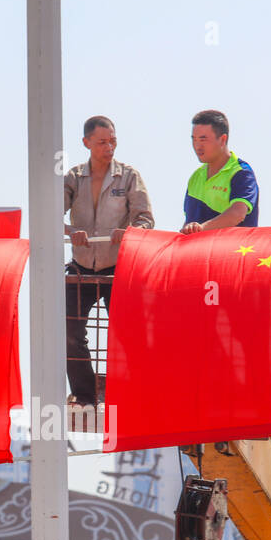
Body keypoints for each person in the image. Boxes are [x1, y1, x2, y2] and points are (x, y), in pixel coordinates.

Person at [62, 115, 154, 407]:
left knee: (126, 335)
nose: (109, 146)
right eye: (102, 142)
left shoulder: (128, 176)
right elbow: (51, 214)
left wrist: (128, 232)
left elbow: (145, 219)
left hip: (119, 270)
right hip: (81, 270)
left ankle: (125, 392)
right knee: (69, 333)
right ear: (86, 143)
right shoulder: (73, 178)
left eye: (113, 140)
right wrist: (70, 232)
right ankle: (86, 395)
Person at [180, 109, 259, 234]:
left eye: (203, 139)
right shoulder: (196, 177)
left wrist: (201, 229)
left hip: (231, 251)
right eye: (194, 139)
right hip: (199, 252)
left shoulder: (241, 173)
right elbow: (188, 222)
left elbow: (238, 213)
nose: (197, 146)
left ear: (222, 139)